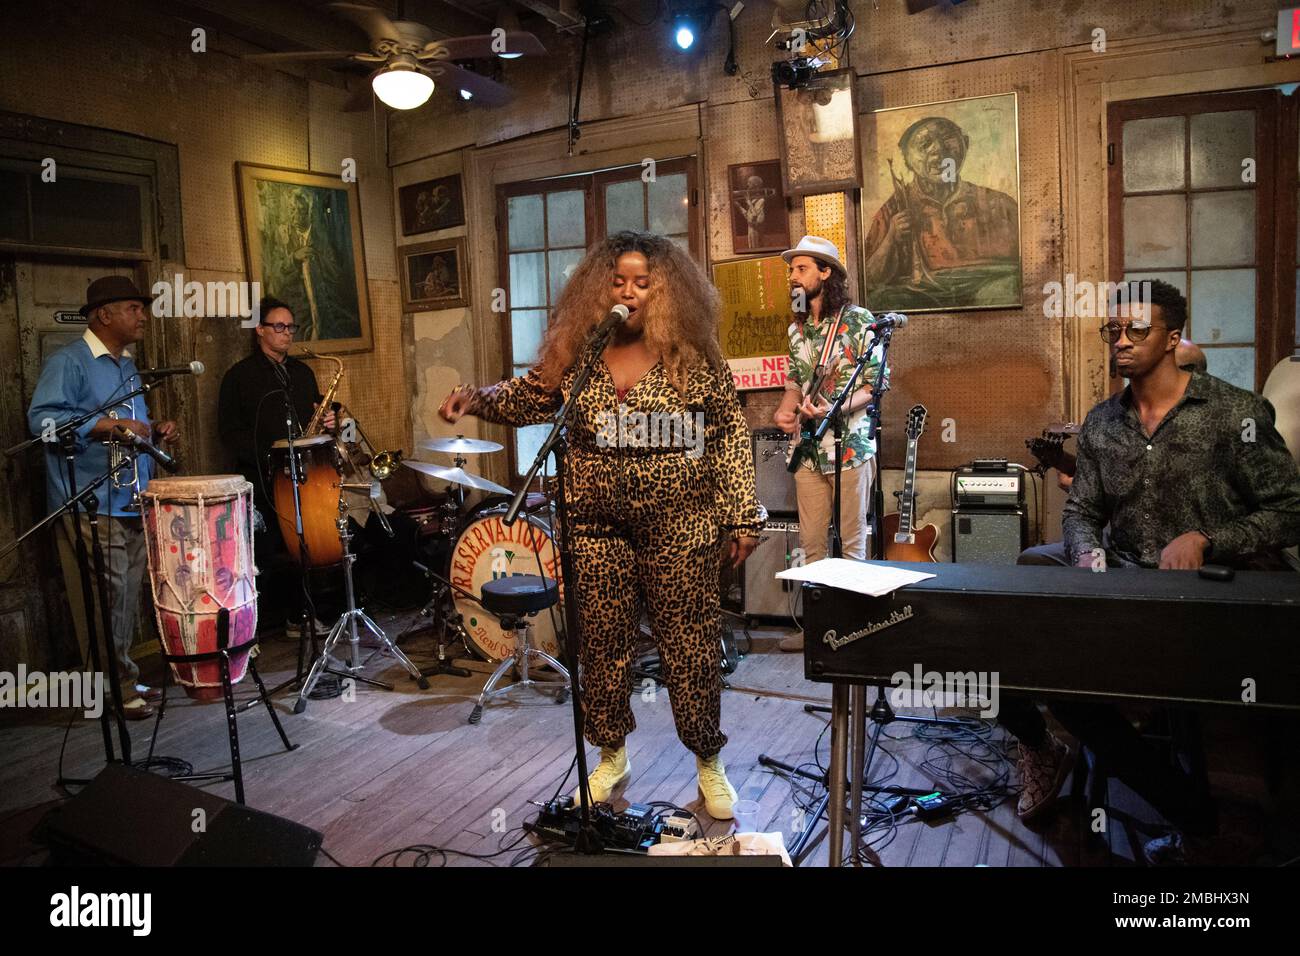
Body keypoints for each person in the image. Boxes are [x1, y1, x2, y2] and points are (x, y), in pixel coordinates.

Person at [438, 231, 765, 820]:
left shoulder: (693, 355)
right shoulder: (580, 353)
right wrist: (476, 399)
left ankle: (707, 760)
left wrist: (741, 513)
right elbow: (530, 396)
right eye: (618, 282)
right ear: (599, 289)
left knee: (689, 646)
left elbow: (727, 435)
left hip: (680, 523)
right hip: (594, 527)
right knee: (603, 647)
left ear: (666, 290)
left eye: (643, 283)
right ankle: (611, 755)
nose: (629, 293)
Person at [1003, 280, 1300, 860]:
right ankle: (1051, 751)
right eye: (1113, 329)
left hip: (1208, 595)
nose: (1121, 340)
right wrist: (1086, 555)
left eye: (1137, 329)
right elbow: (1082, 510)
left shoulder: (1235, 413)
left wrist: (1207, 539)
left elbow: (1289, 510)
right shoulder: (1101, 423)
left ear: (1172, 337)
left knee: (1100, 692)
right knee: (1026, 649)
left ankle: (1205, 815)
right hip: (1124, 583)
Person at [27, 276, 180, 719]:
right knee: (107, 597)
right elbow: (41, 423)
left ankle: (120, 678)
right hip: (89, 501)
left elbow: (130, 424)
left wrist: (153, 429)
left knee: (124, 597)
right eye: (134, 308)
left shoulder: (126, 365)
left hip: (129, 499)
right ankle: (115, 688)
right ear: (103, 315)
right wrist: (109, 426)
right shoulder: (69, 362)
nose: (143, 316)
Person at [772, 236, 886, 652]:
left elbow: (875, 385)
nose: (793, 276)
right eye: (791, 270)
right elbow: (794, 381)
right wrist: (785, 410)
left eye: (801, 268)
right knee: (812, 544)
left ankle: (854, 631)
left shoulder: (858, 321)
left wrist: (833, 409)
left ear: (826, 273)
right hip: (808, 451)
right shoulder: (797, 328)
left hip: (850, 447)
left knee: (853, 543)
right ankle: (818, 631)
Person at [217, 297, 334, 629]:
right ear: (259, 329)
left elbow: (314, 418)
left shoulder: (302, 373)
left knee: (305, 544)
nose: (287, 333)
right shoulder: (238, 376)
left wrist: (329, 421)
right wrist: (270, 458)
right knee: (265, 552)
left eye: (291, 327)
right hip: (262, 478)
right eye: (279, 326)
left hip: (304, 474)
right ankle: (258, 625)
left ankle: (303, 614)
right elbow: (229, 432)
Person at [863, 115, 1020, 309]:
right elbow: (868, 281)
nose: (938, 151)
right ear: (907, 159)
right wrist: (891, 237)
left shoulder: (999, 204)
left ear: (965, 144)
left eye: (946, 139)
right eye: (925, 144)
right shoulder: (894, 209)